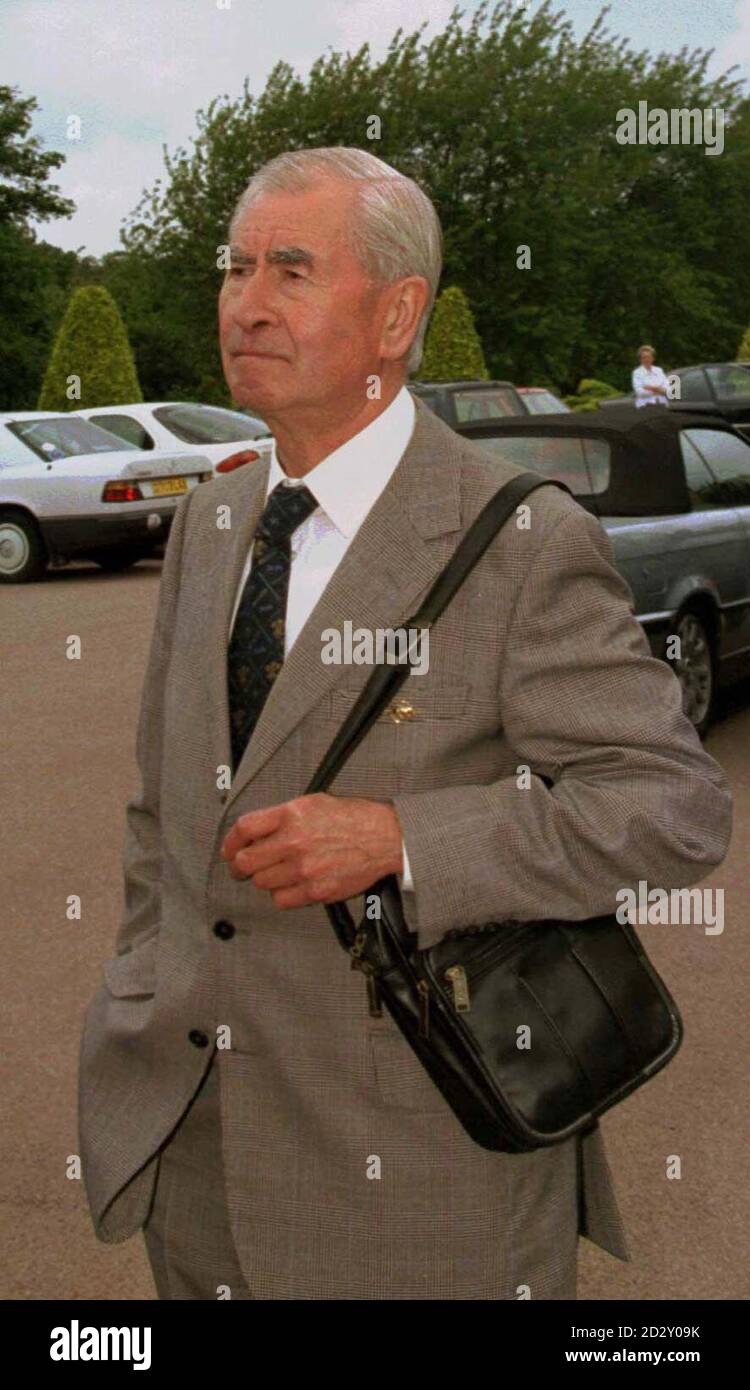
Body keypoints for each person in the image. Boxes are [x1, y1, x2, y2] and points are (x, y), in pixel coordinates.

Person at [78, 148, 731, 1301]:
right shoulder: (214, 520)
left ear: (397, 315)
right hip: (196, 1152)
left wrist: (405, 840)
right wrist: (143, 980)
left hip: (420, 1182)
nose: (246, 301)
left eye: (291, 268)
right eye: (234, 267)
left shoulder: (518, 541)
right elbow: (160, 811)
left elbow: (670, 809)